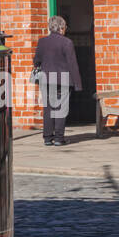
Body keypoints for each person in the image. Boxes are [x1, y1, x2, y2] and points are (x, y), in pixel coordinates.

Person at [33, 15, 82, 146]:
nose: (65, 29)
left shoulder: (42, 42)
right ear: (61, 28)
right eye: (65, 27)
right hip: (63, 80)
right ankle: (59, 139)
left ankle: (48, 138)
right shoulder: (67, 42)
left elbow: (36, 61)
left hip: (46, 79)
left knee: (48, 108)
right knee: (61, 108)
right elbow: (73, 64)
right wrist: (77, 84)